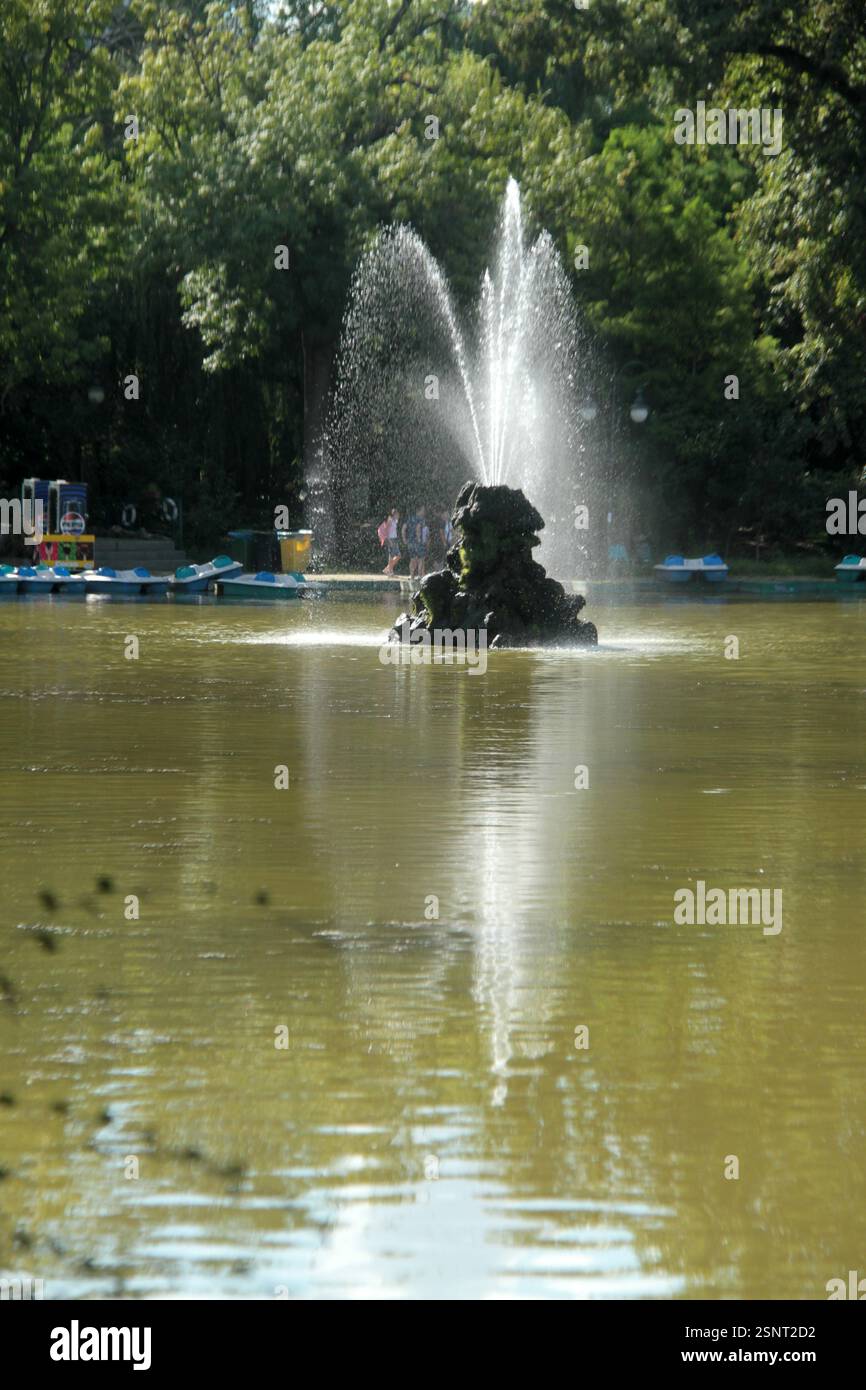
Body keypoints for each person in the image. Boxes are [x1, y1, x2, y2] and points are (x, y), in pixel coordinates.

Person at [402, 504, 427, 581]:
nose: (424, 511)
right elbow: (418, 528)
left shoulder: (410, 518)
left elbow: (403, 528)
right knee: (421, 559)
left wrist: (404, 539)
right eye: (423, 510)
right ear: (419, 510)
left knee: (412, 559)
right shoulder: (421, 519)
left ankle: (412, 576)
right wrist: (419, 538)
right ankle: (419, 576)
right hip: (417, 542)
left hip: (410, 542)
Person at [381, 508, 400, 575]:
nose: (399, 515)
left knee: (397, 555)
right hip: (391, 539)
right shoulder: (390, 520)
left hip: (395, 539)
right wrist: (389, 540)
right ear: (394, 514)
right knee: (392, 555)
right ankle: (389, 570)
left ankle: (388, 569)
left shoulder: (395, 521)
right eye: (397, 514)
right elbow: (386, 531)